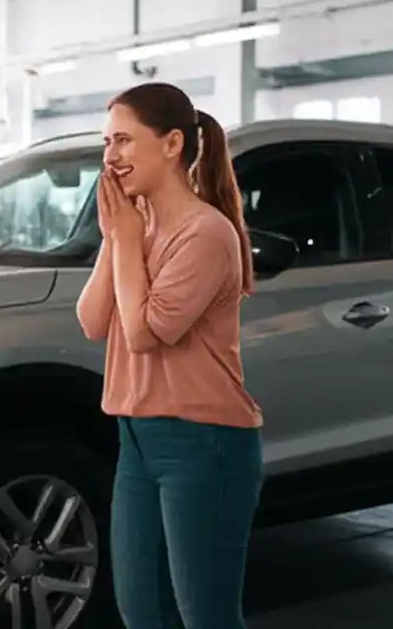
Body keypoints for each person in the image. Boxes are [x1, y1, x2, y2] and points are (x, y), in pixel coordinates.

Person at [75, 82, 263, 629]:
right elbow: (91, 321)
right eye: (107, 142)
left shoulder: (206, 233)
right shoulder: (136, 228)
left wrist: (128, 241)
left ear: (172, 143)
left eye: (125, 141)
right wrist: (116, 239)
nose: (111, 156)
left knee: (206, 618)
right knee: (140, 613)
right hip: (137, 441)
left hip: (204, 443)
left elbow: (142, 333)